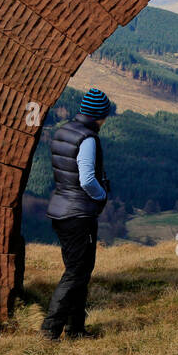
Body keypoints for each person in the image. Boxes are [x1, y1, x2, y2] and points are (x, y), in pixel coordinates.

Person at [41, 87, 114, 340]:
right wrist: (101, 195)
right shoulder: (88, 138)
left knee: (78, 270)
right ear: (98, 116)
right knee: (76, 273)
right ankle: (50, 331)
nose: (105, 121)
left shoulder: (64, 130)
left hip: (61, 210)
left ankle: (76, 329)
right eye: (105, 116)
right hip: (78, 214)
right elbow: (86, 179)